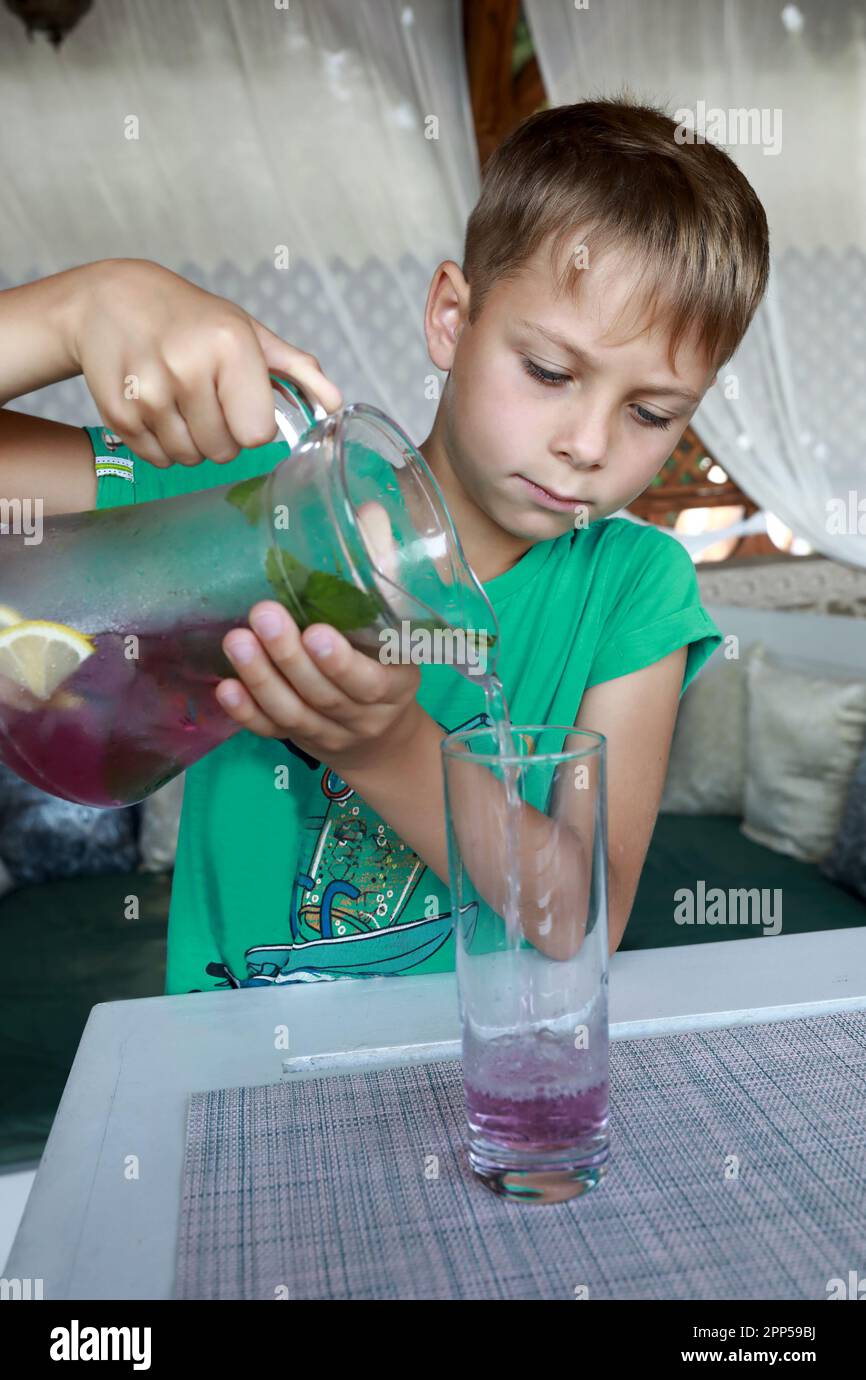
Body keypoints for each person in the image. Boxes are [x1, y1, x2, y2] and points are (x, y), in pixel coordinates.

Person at [0, 99, 769, 991]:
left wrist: (386, 747)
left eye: (651, 413)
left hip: (474, 1099)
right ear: (451, 317)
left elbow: (578, 922)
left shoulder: (636, 586)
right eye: (550, 373)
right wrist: (76, 308)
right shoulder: (264, 488)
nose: (590, 445)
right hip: (240, 1091)